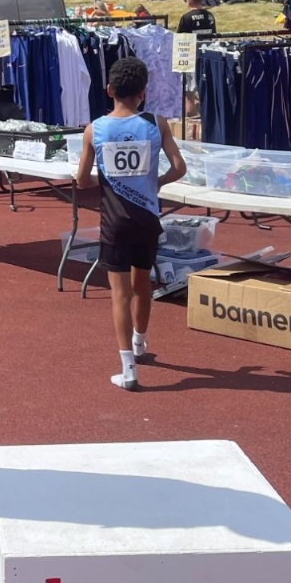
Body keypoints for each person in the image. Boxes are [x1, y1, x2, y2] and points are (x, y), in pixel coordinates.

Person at [75, 57, 186, 392]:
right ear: (143, 92)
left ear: (109, 90)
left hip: (115, 222)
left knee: (120, 295)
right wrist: (156, 182)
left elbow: (82, 179)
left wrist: (105, 180)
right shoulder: (156, 123)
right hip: (146, 219)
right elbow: (179, 167)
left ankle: (128, 370)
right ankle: (140, 343)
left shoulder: (95, 129)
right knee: (143, 286)